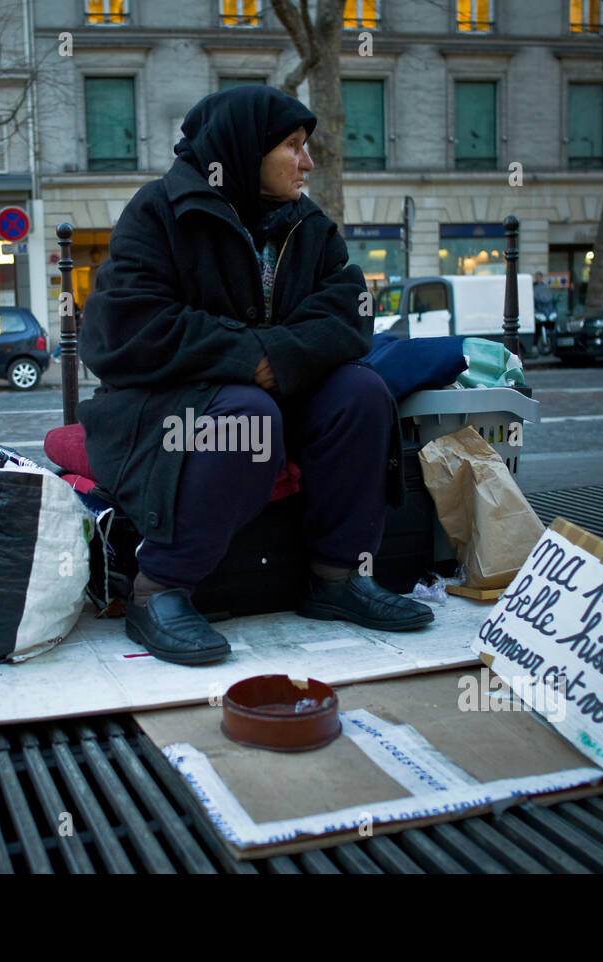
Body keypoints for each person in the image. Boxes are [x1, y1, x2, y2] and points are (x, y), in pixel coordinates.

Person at [78, 86, 433, 667]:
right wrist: (249, 359)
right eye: (293, 146)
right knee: (248, 417)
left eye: (307, 147)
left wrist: (278, 361)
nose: (308, 162)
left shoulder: (307, 225)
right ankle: (158, 589)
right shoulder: (161, 211)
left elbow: (346, 314)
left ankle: (337, 579)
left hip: (276, 394)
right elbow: (124, 328)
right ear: (244, 149)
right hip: (162, 409)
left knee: (362, 392)